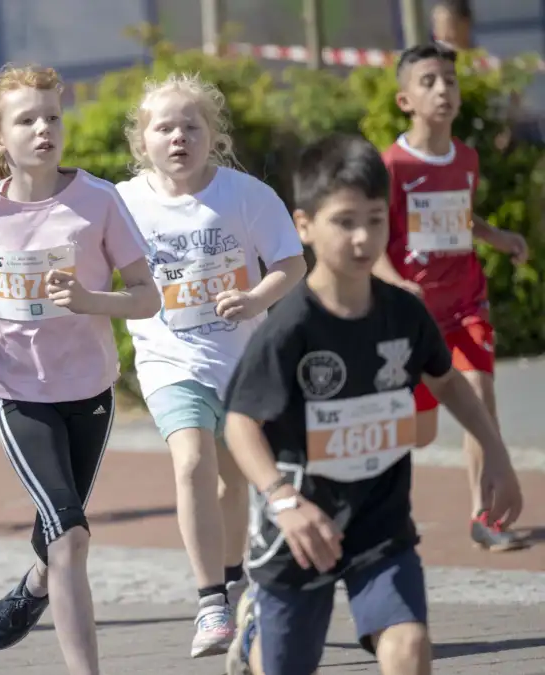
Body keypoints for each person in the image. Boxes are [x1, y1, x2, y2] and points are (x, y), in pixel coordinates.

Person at [222, 133, 523, 675]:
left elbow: (449, 382)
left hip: (380, 520)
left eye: (376, 220)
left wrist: (496, 451)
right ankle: (254, 631)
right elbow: (241, 422)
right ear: (304, 224)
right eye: (344, 221)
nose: (363, 237)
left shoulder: (404, 315)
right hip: (302, 525)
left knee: (408, 647)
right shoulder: (290, 327)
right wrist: (282, 500)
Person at [0, 64, 160, 675]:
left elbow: (147, 297)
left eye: (52, 117)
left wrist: (95, 301)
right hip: (20, 391)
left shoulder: (99, 200)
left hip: (89, 387)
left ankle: (36, 585)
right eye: (27, 120)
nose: (44, 129)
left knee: (60, 536)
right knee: (72, 533)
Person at [116, 73, 307, 658]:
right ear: (141, 140)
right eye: (164, 127)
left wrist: (255, 299)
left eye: (191, 126)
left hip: (242, 360)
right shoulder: (122, 204)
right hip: (168, 358)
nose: (178, 137)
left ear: (213, 135)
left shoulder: (244, 195)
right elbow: (94, 272)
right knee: (192, 460)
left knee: (231, 479)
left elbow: (291, 263)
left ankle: (233, 577)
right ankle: (209, 602)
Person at [374, 44, 529, 551]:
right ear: (405, 100)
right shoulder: (391, 166)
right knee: (417, 433)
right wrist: (393, 281)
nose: (443, 90)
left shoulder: (466, 158)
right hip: (414, 316)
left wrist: (498, 237)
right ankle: (383, 520)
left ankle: (485, 518)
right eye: (428, 82)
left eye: (450, 81)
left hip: (466, 303)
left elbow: (461, 216)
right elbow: (372, 239)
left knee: (481, 398)